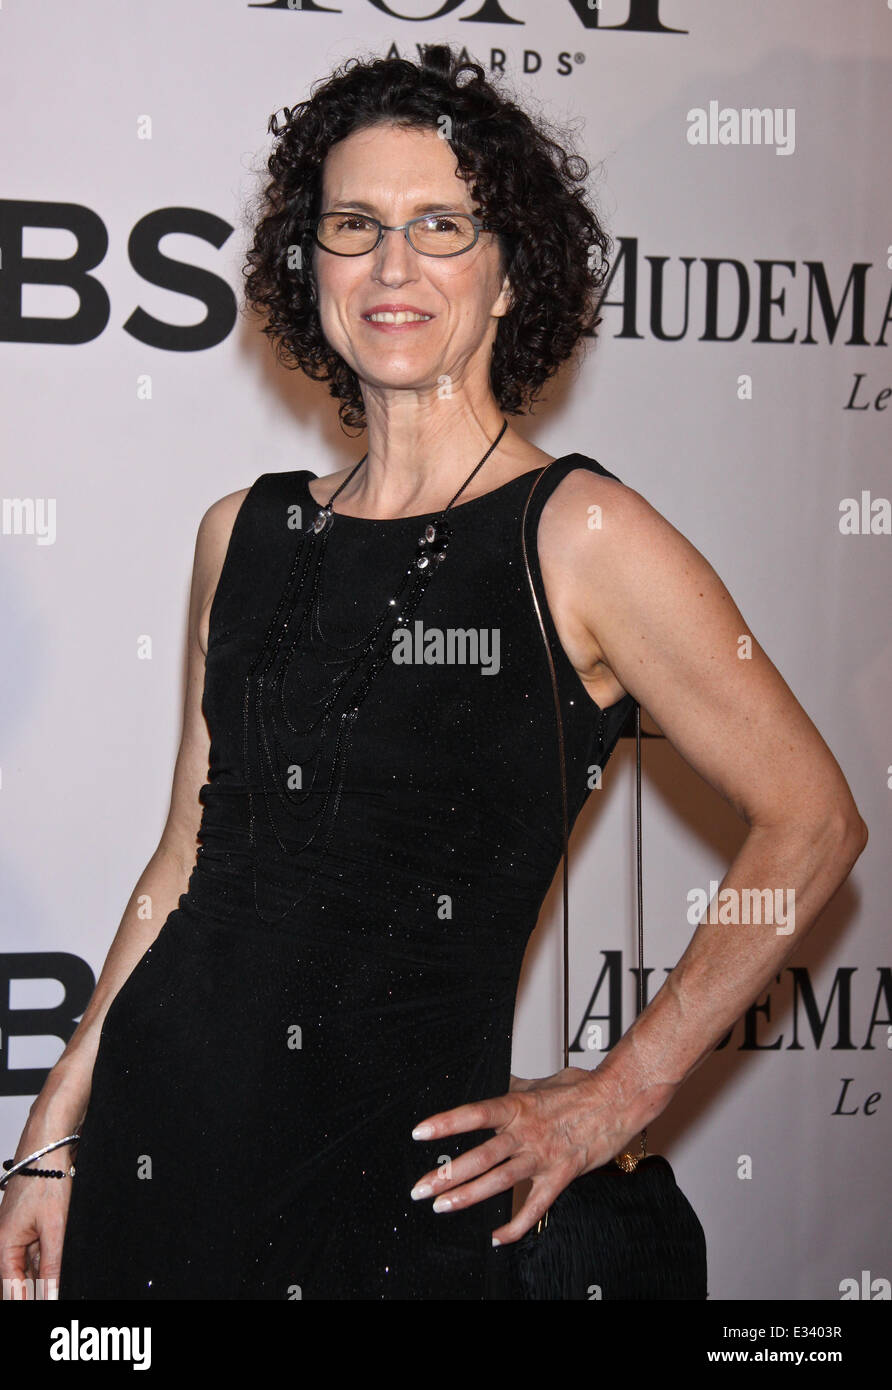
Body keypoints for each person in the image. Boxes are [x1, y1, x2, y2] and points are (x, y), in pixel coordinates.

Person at [0, 45, 867, 1302]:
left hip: (390, 1192)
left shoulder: (580, 536)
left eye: (440, 225)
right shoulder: (237, 528)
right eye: (354, 226)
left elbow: (814, 821)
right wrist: (57, 1126)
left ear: (510, 271)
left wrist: (619, 1094)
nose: (392, 266)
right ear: (311, 265)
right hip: (155, 1151)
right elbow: (189, 857)